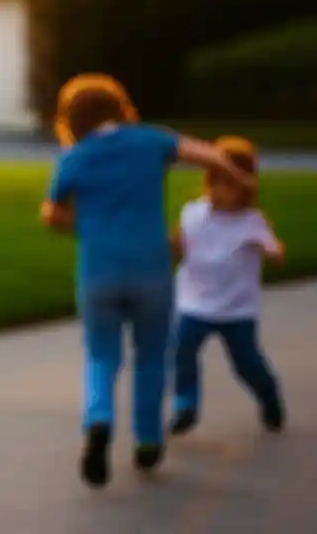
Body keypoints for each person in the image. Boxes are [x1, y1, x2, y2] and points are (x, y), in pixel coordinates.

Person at [38, 74, 255, 488]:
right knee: (151, 355)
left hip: (99, 271)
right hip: (151, 270)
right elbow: (205, 155)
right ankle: (148, 441)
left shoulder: (75, 157)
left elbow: (52, 214)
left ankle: (99, 420)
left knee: (102, 356)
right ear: (122, 107)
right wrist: (240, 179)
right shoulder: (151, 140)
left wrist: (93, 224)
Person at [168, 136, 286, 436]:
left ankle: (268, 396)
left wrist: (270, 250)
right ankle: (186, 405)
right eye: (215, 181)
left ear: (245, 186)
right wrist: (171, 248)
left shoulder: (252, 222)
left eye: (228, 183)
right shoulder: (193, 213)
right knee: (181, 349)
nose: (219, 191)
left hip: (237, 309)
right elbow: (179, 247)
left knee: (246, 362)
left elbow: (276, 251)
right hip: (195, 303)